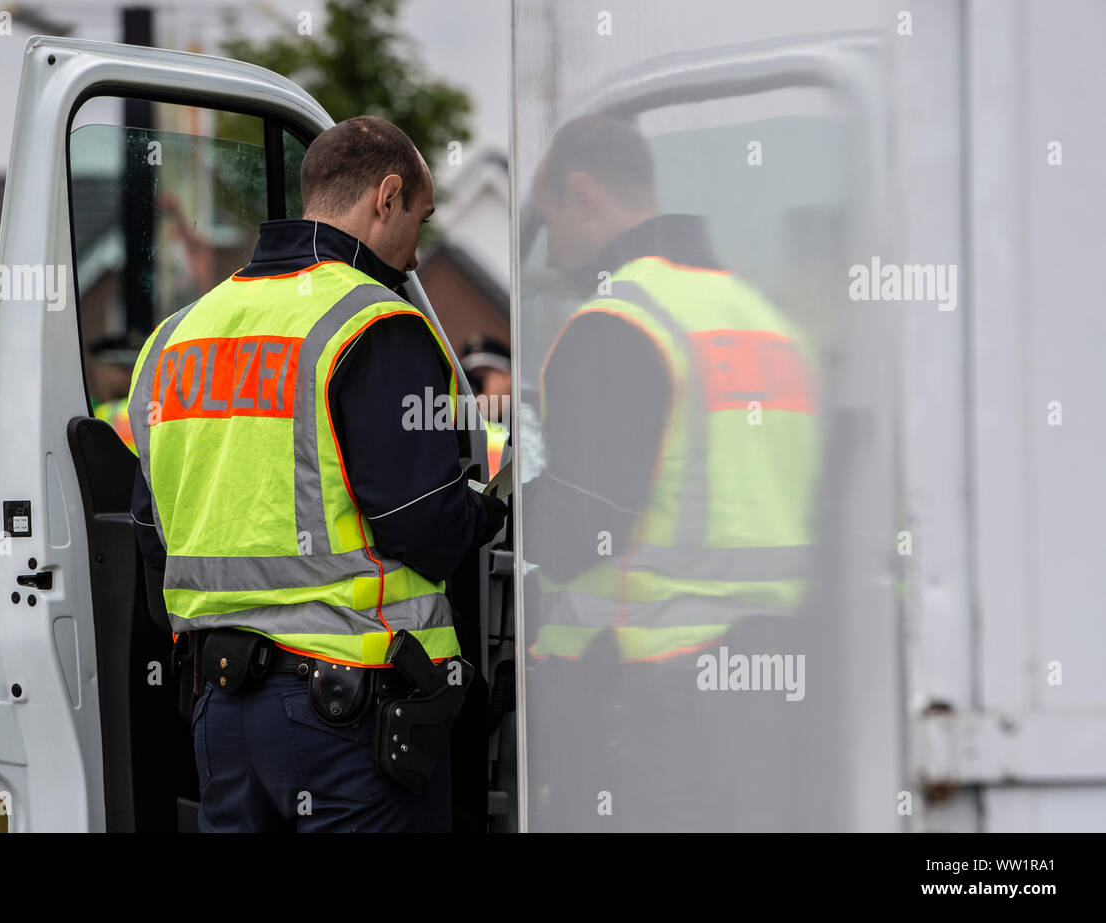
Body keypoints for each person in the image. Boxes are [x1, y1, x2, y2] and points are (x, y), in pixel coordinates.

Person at [127, 116, 506, 832]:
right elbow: (425, 527)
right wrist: (485, 510)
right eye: (419, 221)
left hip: (220, 718)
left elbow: (154, 537)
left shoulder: (174, 339)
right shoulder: (373, 322)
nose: (417, 257)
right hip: (352, 725)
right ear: (386, 197)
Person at [521, 113, 822, 830]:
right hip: (769, 714)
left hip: (643, 714)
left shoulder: (619, 321)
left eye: (548, 219)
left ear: (584, 193)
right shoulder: (770, 326)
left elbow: (579, 525)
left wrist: (498, 504)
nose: (551, 250)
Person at [459, 336, 512, 476]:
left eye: (484, 376)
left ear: (510, 378)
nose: (475, 387)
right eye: (471, 378)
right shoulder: (457, 432)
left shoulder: (529, 428)